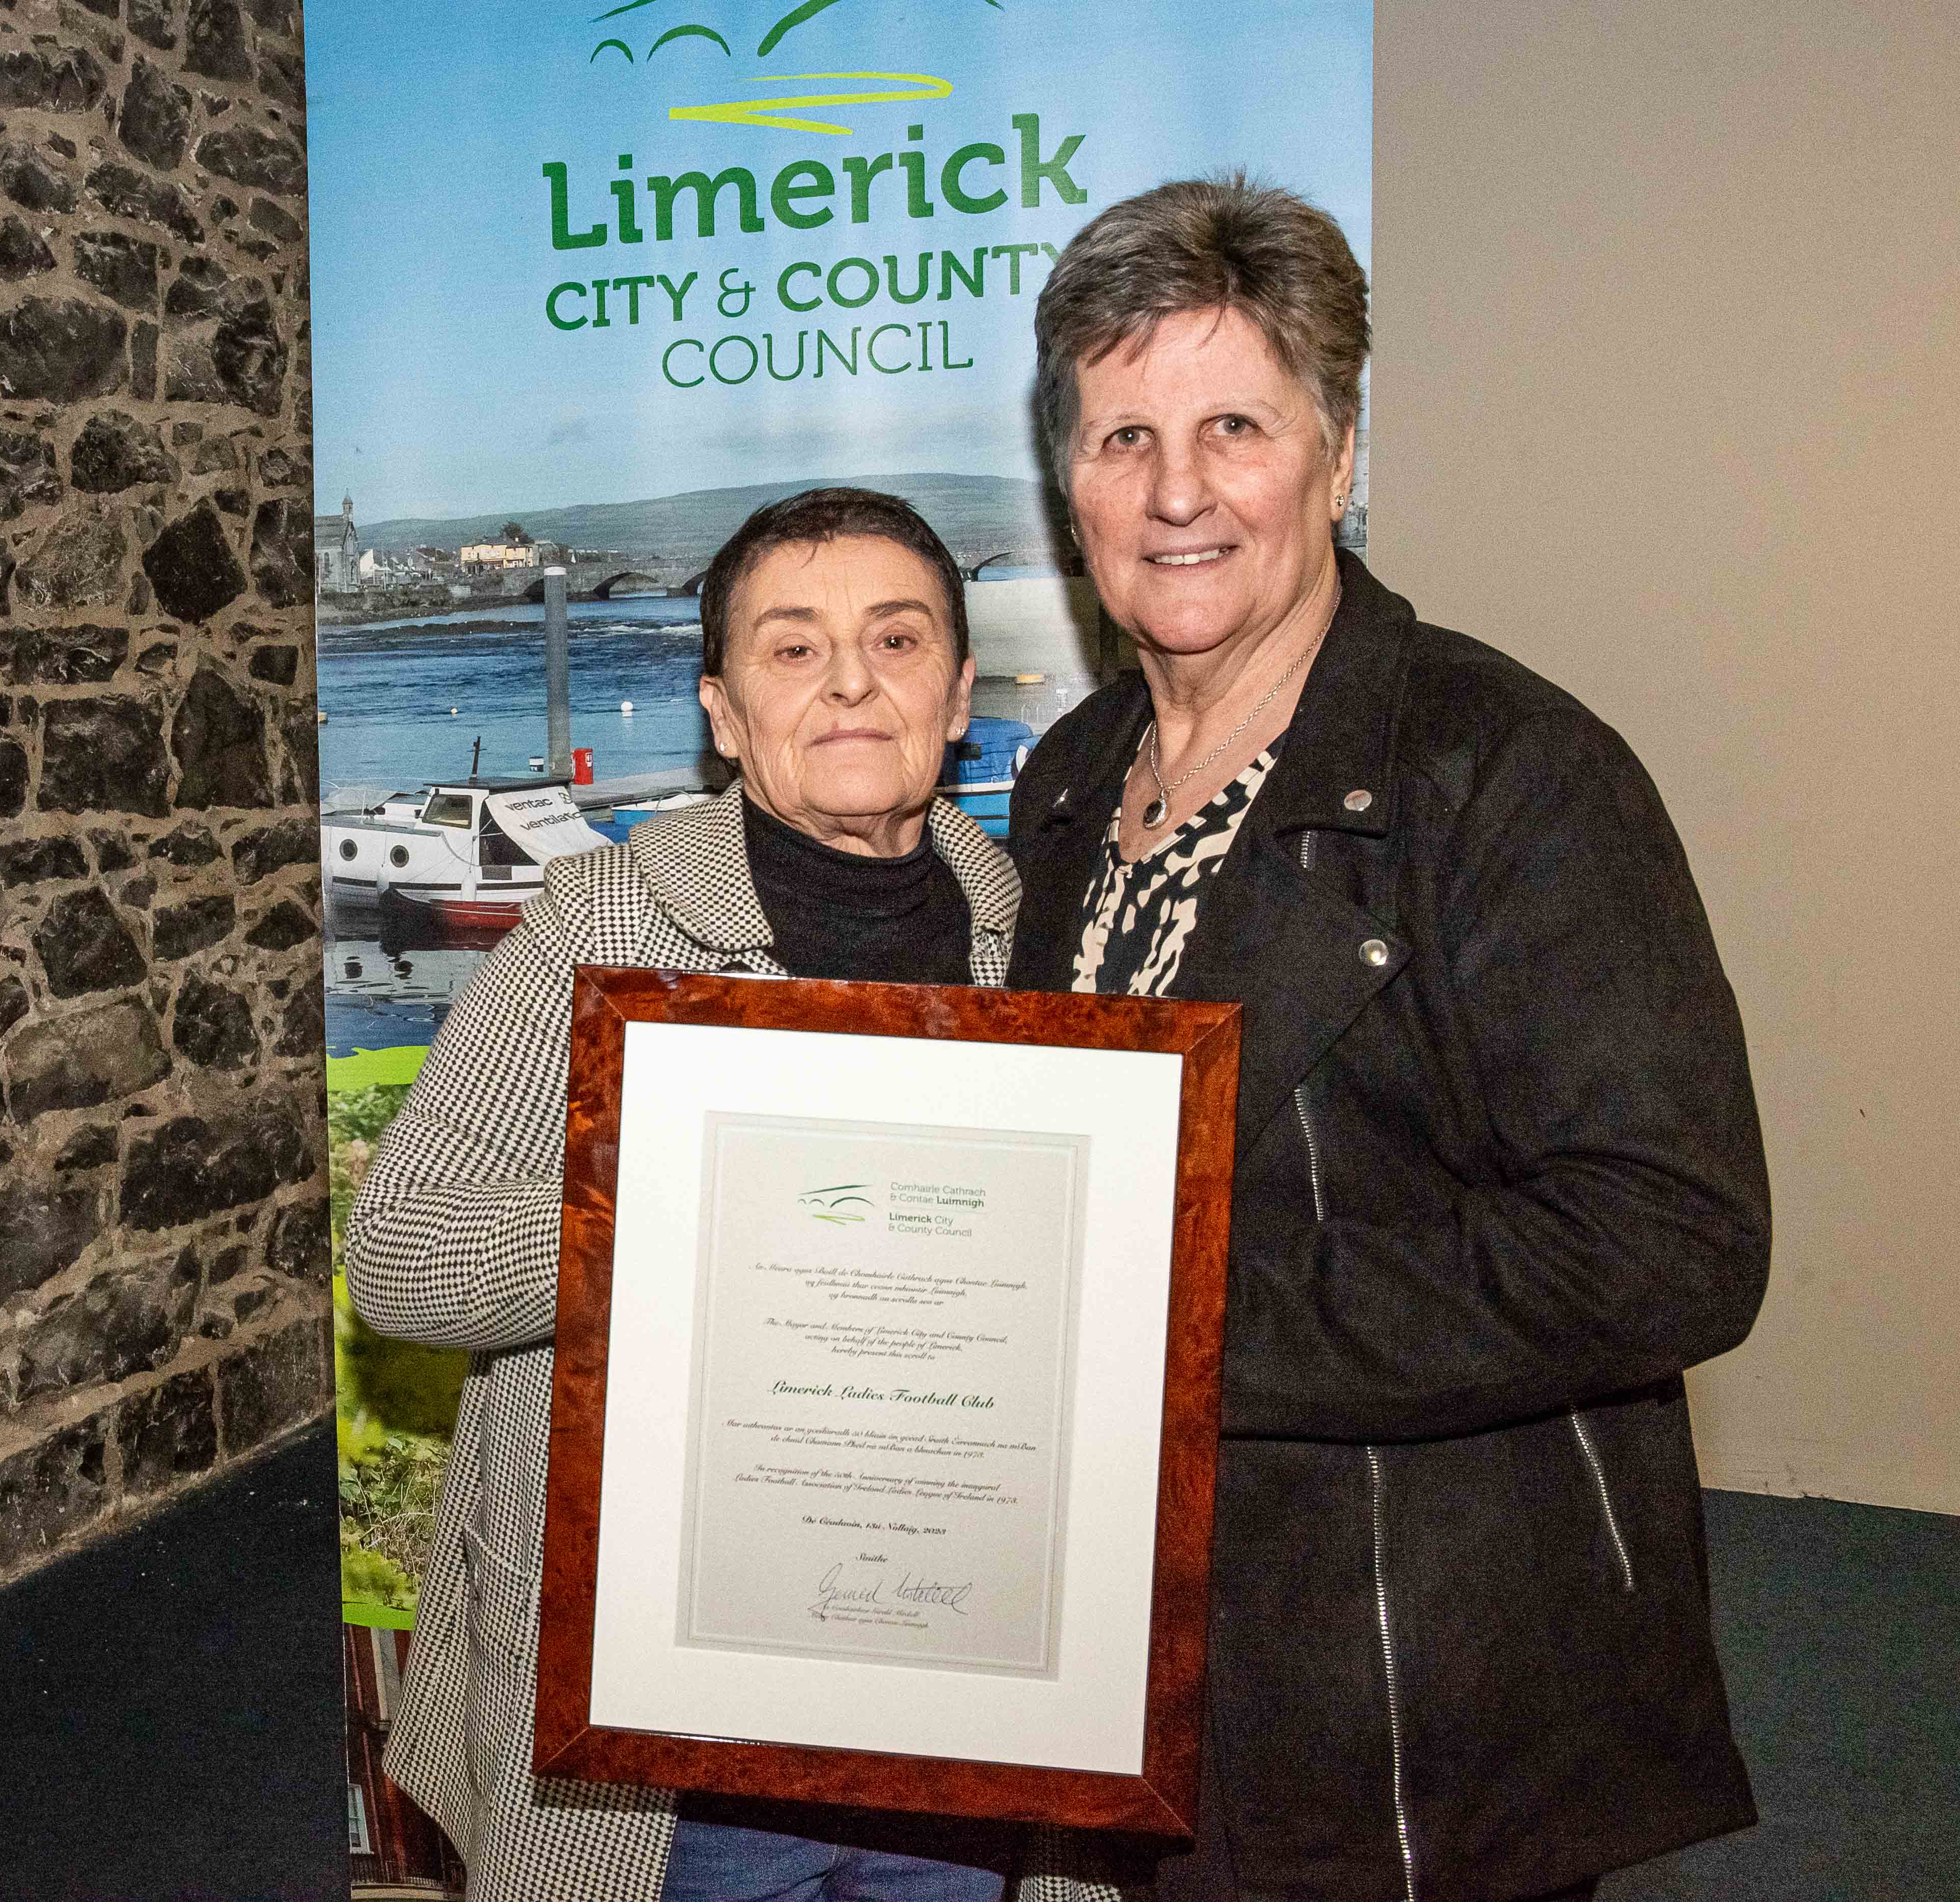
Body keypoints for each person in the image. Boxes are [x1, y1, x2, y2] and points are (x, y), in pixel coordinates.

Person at [1004, 177, 1770, 1902]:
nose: (1177, 488)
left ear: (1337, 454)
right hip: (1132, 1663)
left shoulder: (1504, 772)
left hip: (1408, 1677)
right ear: (1069, 485)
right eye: (1122, 435)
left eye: (1232, 425)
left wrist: (1176, 1327)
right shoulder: (1064, 783)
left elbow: (1672, 1242)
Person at [346, 489, 1026, 1902]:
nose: (848, 678)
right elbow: (405, 1256)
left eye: (894, 637)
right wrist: (700, 1195)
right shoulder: (602, 921)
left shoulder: (1055, 939)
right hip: (681, 1751)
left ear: (957, 689)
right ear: (722, 710)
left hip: (967, 1719)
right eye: (791, 648)